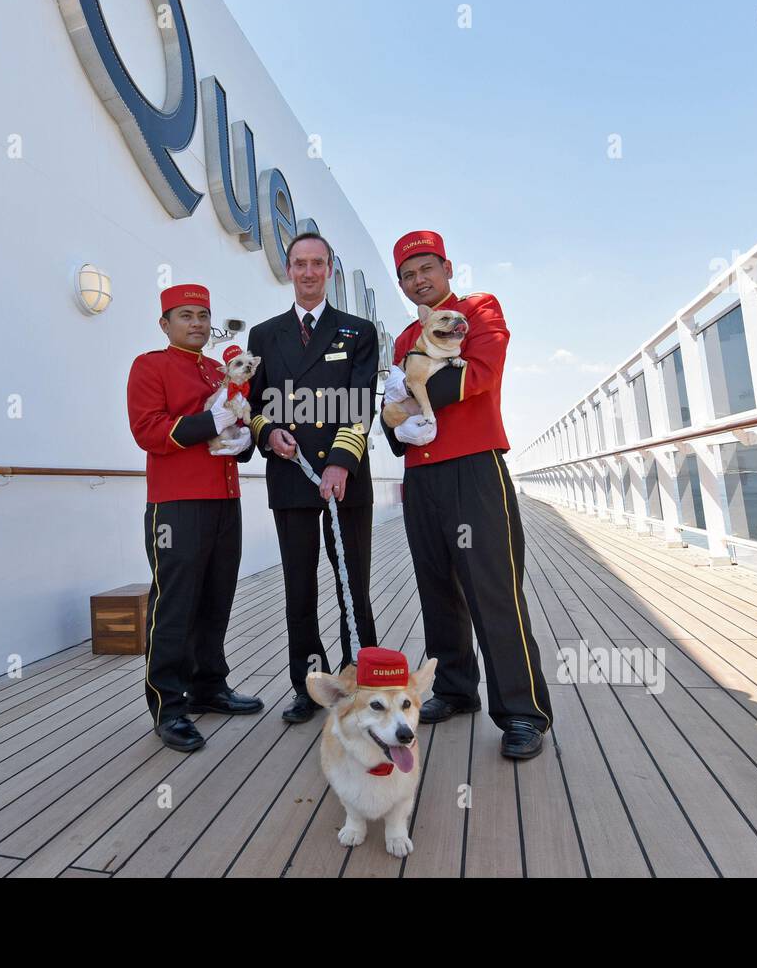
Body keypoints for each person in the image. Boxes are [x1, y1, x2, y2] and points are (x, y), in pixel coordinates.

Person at [382, 230, 554, 759]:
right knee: (436, 588)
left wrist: (408, 399)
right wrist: (394, 424)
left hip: (475, 468)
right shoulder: (403, 337)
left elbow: (479, 374)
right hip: (423, 474)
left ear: (448, 268)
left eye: (426, 269)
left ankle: (523, 712)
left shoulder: (477, 310)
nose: (419, 281)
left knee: (494, 590)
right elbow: (391, 409)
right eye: (408, 275)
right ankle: (455, 689)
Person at [246, 232, 380, 724]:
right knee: (298, 588)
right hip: (290, 477)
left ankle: (362, 680)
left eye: (317, 264)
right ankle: (308, 683)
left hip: (345, 477)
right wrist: (269, 433)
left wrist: (341, 461)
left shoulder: (358, 331)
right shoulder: (264, 335)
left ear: (329, 271)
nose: (308, 272)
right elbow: (257, 403)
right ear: (288, 270)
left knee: (354, 586)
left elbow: (362, 401)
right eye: (299, 264)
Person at [126, 283, 263, 753]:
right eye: (186, 316)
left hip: (225, 499)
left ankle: (209, 685)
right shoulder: (150, 365)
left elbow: (235, 419)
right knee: (175, 605)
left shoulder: (216, 370)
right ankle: (169, 705)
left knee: (216, 597)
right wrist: (212, 424)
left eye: (203, 315)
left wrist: (242, 439)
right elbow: (148, 430)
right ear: (165, 324)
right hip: (176, 504)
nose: (197, 324)